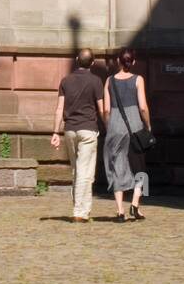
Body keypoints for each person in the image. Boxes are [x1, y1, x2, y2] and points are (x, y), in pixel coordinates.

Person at [50, 49, 104, 223]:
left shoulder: (65, 81)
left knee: (78, 170)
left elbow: (59, 108)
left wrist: (55, 132)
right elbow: (102, 109)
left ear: (76, 60)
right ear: (92, 63)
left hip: (70, 130)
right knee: (84, 171)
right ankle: (79, 211)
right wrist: (108, 126)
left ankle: (84, 209)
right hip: (88, 130)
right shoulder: (96, 81)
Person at [104, 48, 151, 222]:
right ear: (133, 62)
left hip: (115, 125)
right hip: (135, 125)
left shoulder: (109, 81)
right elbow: (143, 107)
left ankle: (120, 211)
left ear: (118, 61)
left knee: (117, 165)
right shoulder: (138, 79)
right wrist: (148, 125)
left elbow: (106, 110)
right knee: (139, 165)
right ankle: (135, 204)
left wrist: (109, 126)